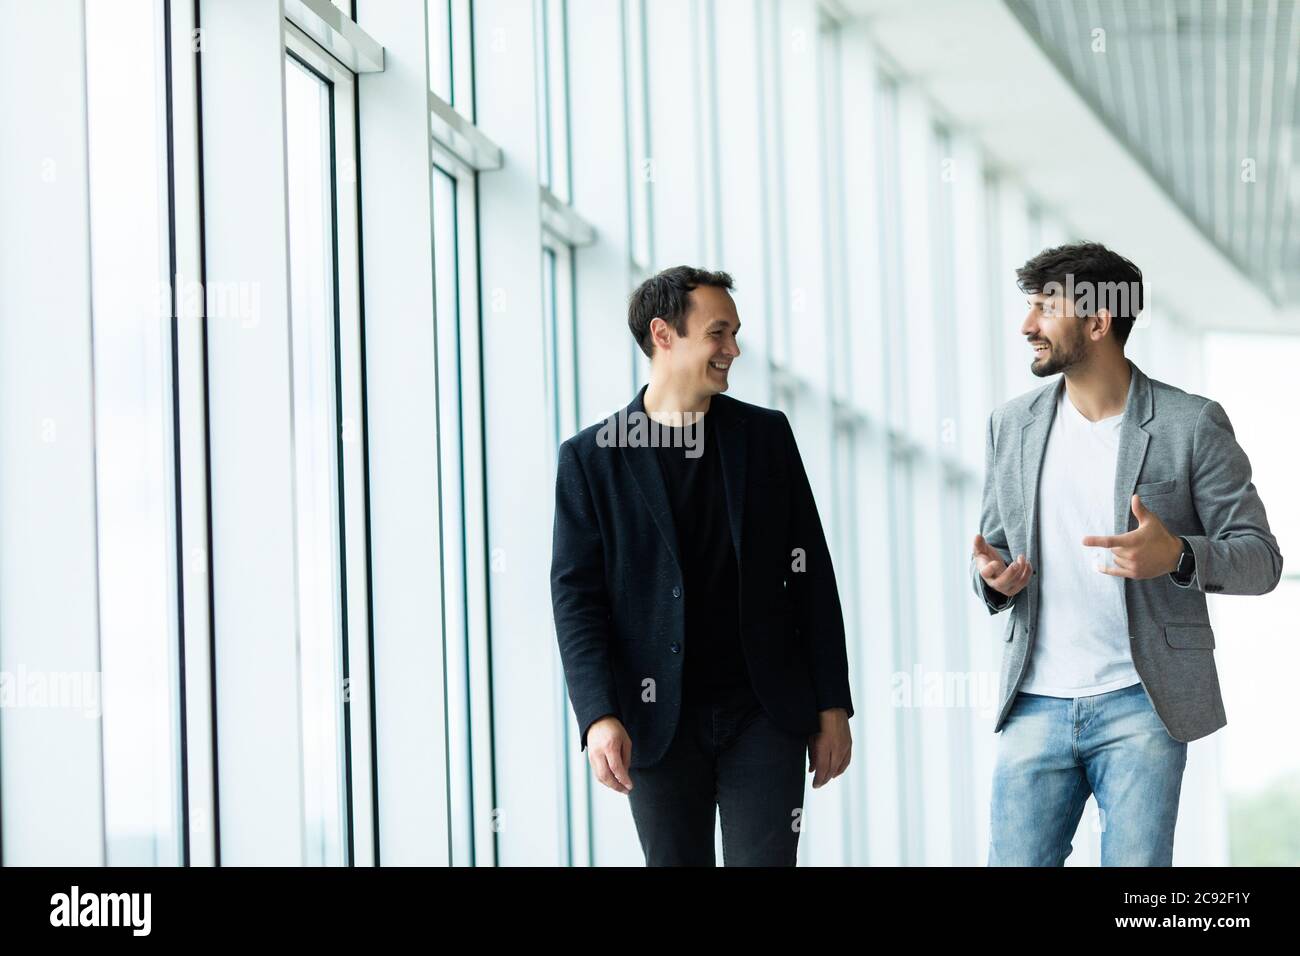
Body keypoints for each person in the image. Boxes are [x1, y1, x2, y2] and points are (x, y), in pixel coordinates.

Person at [972, 241, 1283, 866]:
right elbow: (995, 548)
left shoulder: (1189, 424)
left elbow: (1261, 559)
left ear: (1097, 320)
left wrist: (1179, 556)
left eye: (1043, 308)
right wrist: (994, 581)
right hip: (1034, 701)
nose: (1026, 326)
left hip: (1142, 704)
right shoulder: (1012, 424)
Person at [550, 266, 853, 866]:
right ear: (664, 335)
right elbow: (576, 599)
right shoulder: (591, 459)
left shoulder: (764, 437)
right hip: (656, 720)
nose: (733, 349)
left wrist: (833, 705)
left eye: (734, 333)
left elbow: (811, 575)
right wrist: (598, 716)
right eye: (718, 333)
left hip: (763, 714)